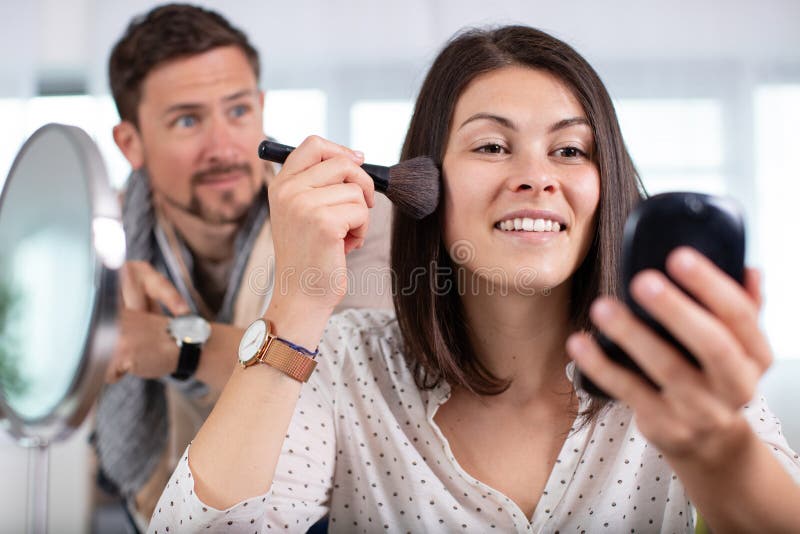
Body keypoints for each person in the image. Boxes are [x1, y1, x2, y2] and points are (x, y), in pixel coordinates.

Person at [148, 26, 800, 533]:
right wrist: (298, 297)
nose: (536, 176)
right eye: (491, 146)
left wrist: (718, 450)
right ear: (426, 188)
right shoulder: (346, 365)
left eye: (570, 149)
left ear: (607, 189)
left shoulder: (677, 375)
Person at [91, 4, 393, 530]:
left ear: (260, 105)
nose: (225, 148)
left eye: (237, 111)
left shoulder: (352, 216)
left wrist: (177, 344)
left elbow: (362, 391)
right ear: (130, 143)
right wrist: (91, 312)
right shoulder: (99, 239)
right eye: (187, 120)